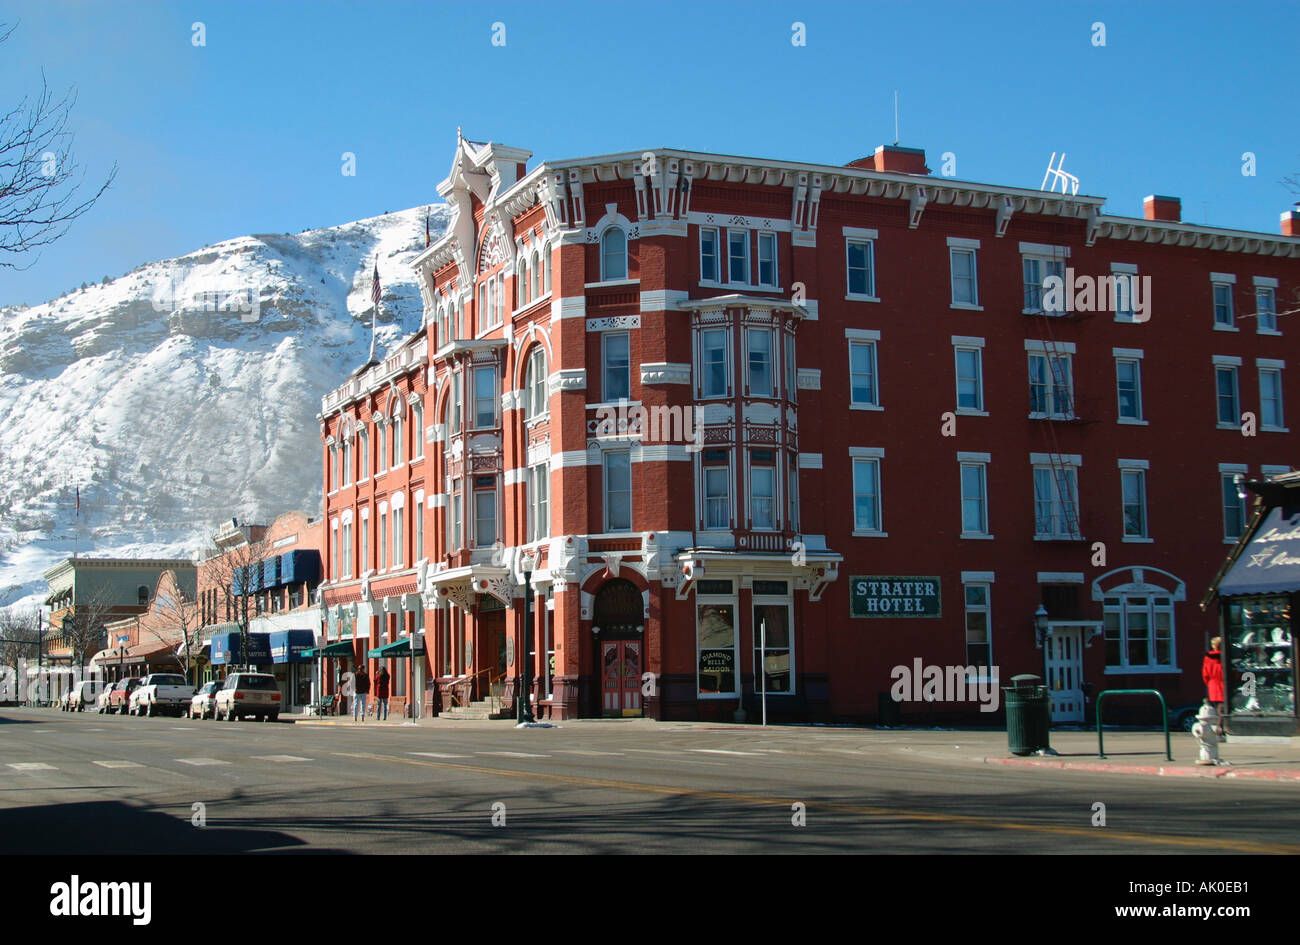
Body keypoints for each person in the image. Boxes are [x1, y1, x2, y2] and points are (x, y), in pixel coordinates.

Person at [1202, 636, 1225, 713]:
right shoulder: (1225, 656)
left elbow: (1205, 674)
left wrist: (1209, 683)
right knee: (1224, 707)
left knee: (1216, 707)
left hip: (1213, 685)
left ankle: (1219, 722)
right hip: (1224, 684)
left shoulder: (1208, 658)